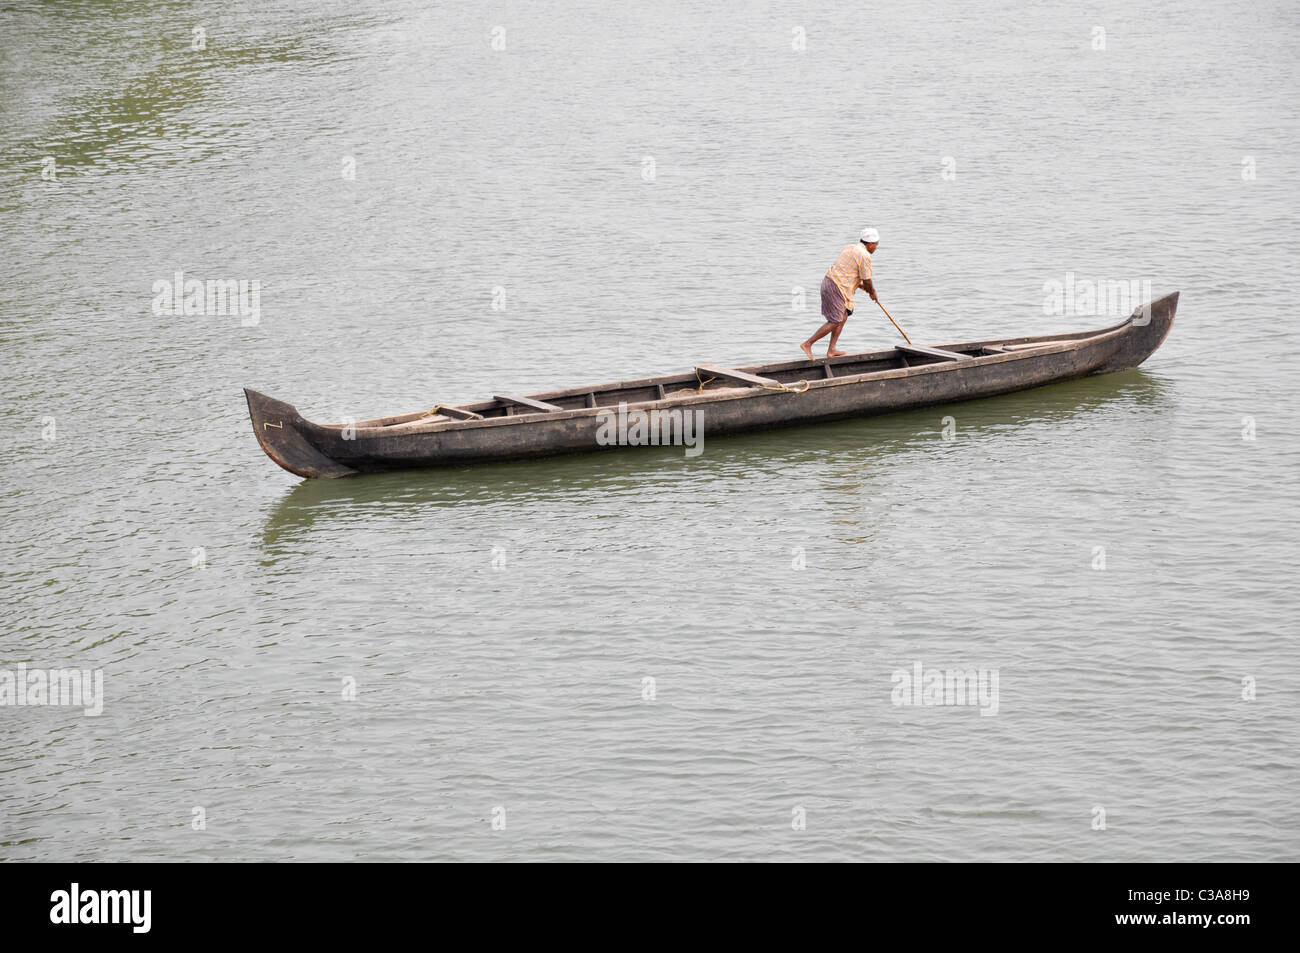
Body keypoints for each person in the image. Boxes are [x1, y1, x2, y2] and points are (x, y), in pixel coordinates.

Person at [802, 227, 879, 359]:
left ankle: (831, 350)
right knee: (835, 320)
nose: (876, 248)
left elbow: (849, 273)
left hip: (829, 282)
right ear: (870, 244)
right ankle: (808, 344)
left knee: (843, 315)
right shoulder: (864, 255)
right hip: (836, 286)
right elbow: (867, 280)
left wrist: (864, 288)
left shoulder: (849, 247)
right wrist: (872, 292)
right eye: (876, 245)